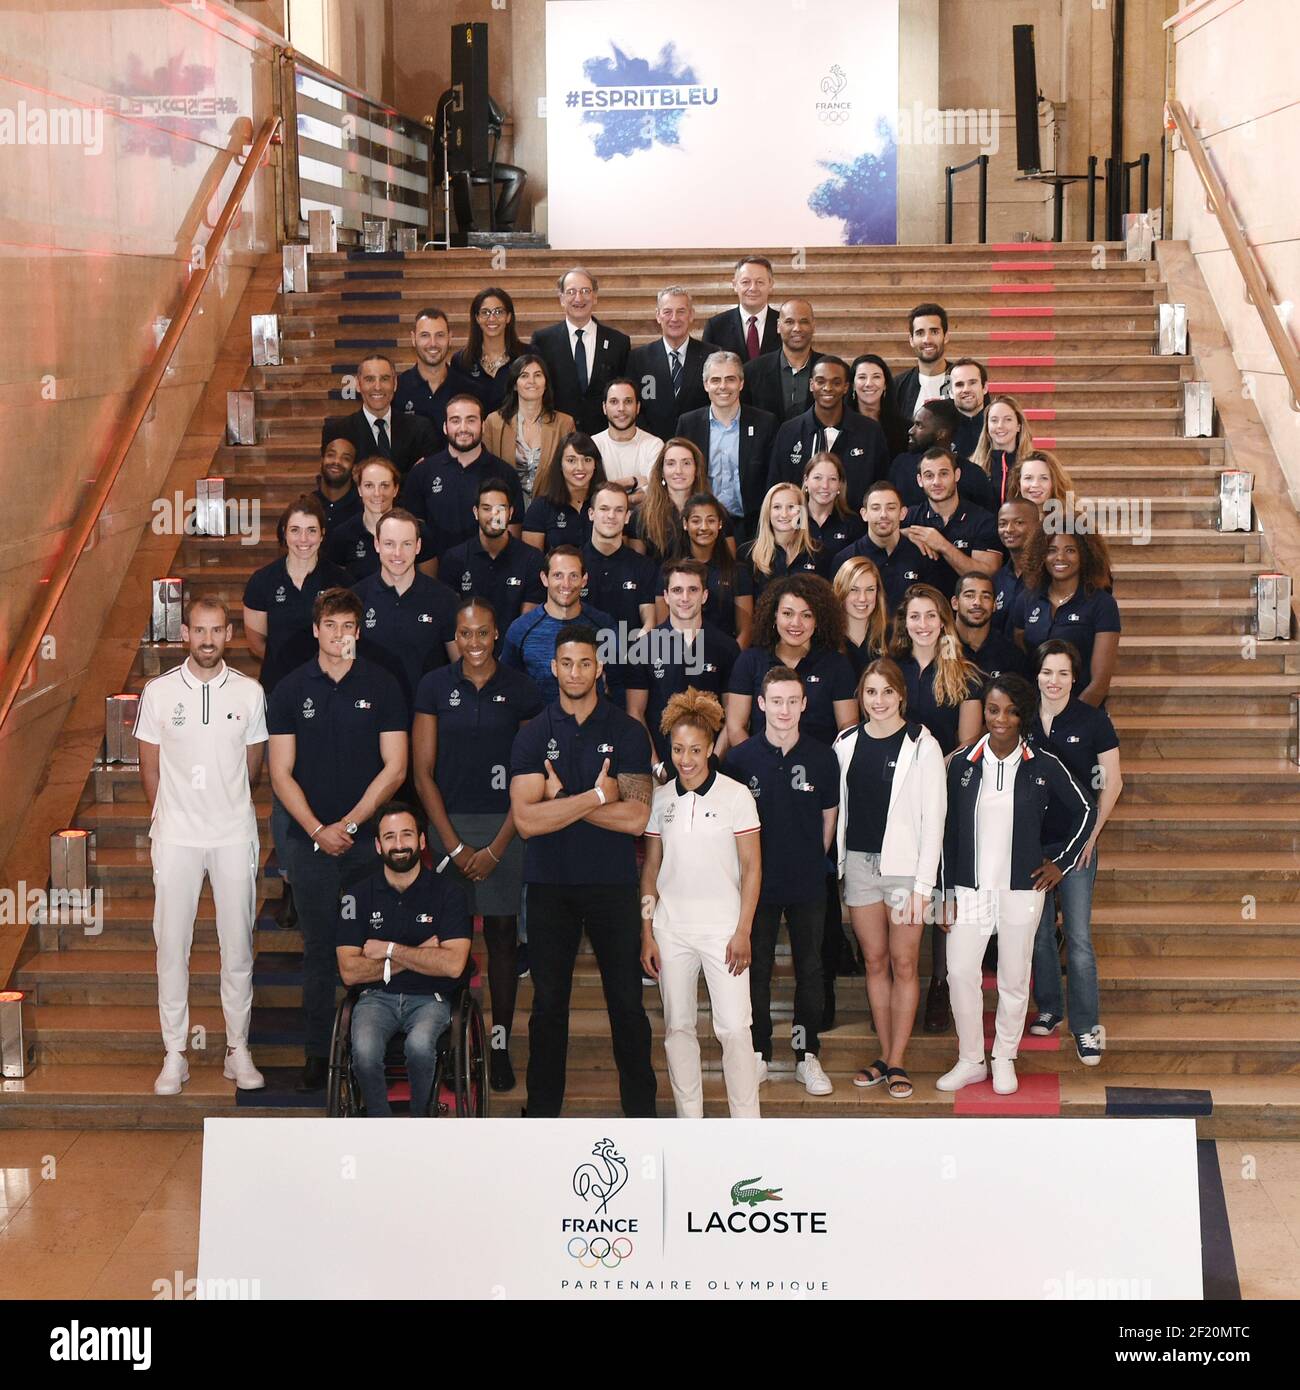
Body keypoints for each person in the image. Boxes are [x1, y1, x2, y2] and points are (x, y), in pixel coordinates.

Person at [509, 623, 657, 1117]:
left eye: (585, 663)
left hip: (612, 887)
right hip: (550, 887)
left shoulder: (628, 731)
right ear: (554, 668)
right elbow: (528, 822)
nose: (576, 672)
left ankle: (642, 1116)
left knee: (627, 1007)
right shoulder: (532, 733)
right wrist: (596, 796)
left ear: (599, 667)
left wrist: (563, 802)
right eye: (567, 663)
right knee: (549, 1008)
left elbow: (636, 819)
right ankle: (542, 1115)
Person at [267, 588, 408, 1091]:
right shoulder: (288, 690)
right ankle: (316, 1053)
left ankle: (374, 1050)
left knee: (374, 946)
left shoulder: (383, 685)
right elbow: (280, 773)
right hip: (310, 845)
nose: (339, 634)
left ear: (358, 630)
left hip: (368, 845)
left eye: (348, 625)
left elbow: (396, 767)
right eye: (330, 625)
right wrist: (316, 831)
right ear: (315, 630)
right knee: (320, 949)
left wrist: (349, 825)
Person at [936, 675, 1096, 1096]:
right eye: (992, 709)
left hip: (1022, 890)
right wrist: (943, 893)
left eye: (1010, 710)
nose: (1000, 718)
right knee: (960, 972)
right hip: (969, 890)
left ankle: (1004, 1056)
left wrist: (1061, 863)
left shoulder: (1042, 762)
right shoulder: (961, 764)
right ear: (983, 712)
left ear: (1023, 713)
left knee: (1012, 977)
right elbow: (945, 831)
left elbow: (1085, 808)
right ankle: (971, 1059)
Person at [134, 596, 267, 1096]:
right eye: (199, 631)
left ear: (229, 634)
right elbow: (149, 766)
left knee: (237, 947)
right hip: (176, 838)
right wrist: (169, 818)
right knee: (172, 947)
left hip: (233, 834)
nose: (208, 640)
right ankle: (175, 1053)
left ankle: (237, 1049)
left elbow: (252, 767)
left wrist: (226, 807)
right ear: (185, 633)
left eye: (216, 631)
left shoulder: (251, 693)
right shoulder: (159, 692)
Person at [413, 599, 544, 1092]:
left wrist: (496, 846)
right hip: (449, 826)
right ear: (456, 635)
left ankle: (498, 1040)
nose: (474, 643)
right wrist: (451, 845)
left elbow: (530, 776)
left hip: (505, 827)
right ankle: (450, 1038)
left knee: (504, 939)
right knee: (450, 940)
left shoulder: (522, 689)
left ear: (496, 635)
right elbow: (422, 773)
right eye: (465, 634)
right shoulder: (433, 686)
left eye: (483, 634)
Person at [642, 690, 762, 1117]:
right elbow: (651, 870)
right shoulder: (661, 800)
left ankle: (746, 1126)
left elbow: (752, 868)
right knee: (678, 1029)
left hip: (724, 932)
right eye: (677, 749)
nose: (686, 759)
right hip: (671, 931)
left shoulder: (735, 797)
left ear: (711, 747)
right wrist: (647, 932)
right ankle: (689, 1123)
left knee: (734, 1029)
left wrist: (743, 929)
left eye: (695, 749)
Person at [833, 658, 946, 1100]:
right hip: (860, 866)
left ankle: (898, 1058)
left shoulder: (923, 745)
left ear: (901, 694)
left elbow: (934, 820)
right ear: (861, 696)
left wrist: (923, 886)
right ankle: (883, 1056)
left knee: (903, 964)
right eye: (870, 692)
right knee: (875, 962)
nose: (878, 701)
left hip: (906, 872)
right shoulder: (845, 743)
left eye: (886, 692)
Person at [722, 667, 838, 1096]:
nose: (785, 709)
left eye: (793, 701)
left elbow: (829, 820)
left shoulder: (823, 757)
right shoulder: (740, 760)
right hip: (758, 885)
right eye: (777, 701)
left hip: (808, 882)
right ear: (762, 704)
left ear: (804, 704)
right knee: (758, 970)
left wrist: (809, 859)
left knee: (810, 969)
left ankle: (806, 1055)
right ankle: (760, 1055)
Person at [335, 803, 473, 1116]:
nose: (399, 845)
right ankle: (380, 1123)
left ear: (422, 841)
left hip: (431, 998)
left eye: (407, 835)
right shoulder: (355, 897)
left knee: (420, 1047)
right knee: (366, 1053)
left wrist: (388, 949)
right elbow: (349, 971)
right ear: (378, 845)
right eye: (390, 837)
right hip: (374, 998)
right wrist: (419, 954)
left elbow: (453, 965)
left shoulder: (450, 893)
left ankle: (420, 1120)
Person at [889, 582, 984, 1034]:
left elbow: (969, 743)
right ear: (904, 623)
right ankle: (898, 976)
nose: (922, 625)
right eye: (914, 616)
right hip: (899, 794)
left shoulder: (964, 672)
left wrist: (930, 767)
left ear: (943, 621)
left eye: (931, 616)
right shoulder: (892, 670)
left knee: (943, 884)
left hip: (948, 789)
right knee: (907, 880)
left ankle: (940, 984)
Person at [1028, 640, 1123, 1066]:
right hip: (1032, 846)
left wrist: (1091, 837)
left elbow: (1113, 782)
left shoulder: (1093, 720)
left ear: (1074, 677)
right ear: (1038, 675)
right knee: (1039, 933)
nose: (1055, 681)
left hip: (1077, 844)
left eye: (1063, 673)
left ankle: (1086, 1028)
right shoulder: (1024, 719)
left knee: (1079, 938)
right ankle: (1050, 1008)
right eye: (1048, 672)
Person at [626, 558, 739, 775]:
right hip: (661, 769)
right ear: (666, 596)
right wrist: (656, 766)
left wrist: (714, 759)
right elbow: (635, 713)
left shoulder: (726, 647)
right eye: (677, 590)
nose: (685, 598)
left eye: (693, 590)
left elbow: (733, 715)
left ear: (704, 595)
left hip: (712, 770)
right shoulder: (643, 648)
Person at [350, 508, 459, 713]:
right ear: (376, 545)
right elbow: (345, 662)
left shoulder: (444, 599)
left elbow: (459, 665)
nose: (397, 553)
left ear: (418, 546)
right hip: (370, 716)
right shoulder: (354, 599)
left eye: (406, 544)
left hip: (426, 716)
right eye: (389, 544)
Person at [243, 495, 352, 695]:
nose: (303, 539)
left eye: (311, 530)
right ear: (284, 533)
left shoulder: (341, 581)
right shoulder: (262, 581)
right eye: (295, 530)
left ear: (322, 534)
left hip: (329, 687)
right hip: (277, 686)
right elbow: (257, 643)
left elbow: (348, 640)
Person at [400, 393, 524, 560]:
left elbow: (512, 535)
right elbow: (412, 533)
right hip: (436, 578)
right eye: (455, 420)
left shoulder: (505, 474)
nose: (463, 428)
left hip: (490, 574)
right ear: (445, 427)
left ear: (483, 426)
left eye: (471, 420)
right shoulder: (422, 473)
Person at [675, 350, 777, 541]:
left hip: (752, 528)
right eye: (715, 380)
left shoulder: (765, 424)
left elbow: (772, 477)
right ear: (706, 385)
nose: (723, 386)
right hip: (702, 527)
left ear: (741, 383)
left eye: (730, 379)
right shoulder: (689, 424)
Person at [1013, 528, 1120, 706]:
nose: (1060, 557)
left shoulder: (1102, 604)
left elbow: (1099, 684)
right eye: (1051, 550)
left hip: (1083, 713)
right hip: (1034, 712)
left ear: (1085, 555)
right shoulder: (1026, 599)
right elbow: (1021, 656)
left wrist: (1068, 722)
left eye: (1070, 550)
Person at [767, 356, 890, 508]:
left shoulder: (871, 432)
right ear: (811, 385)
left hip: (855, 526)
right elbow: (776, 487)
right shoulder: (789, 431)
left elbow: (881, 486)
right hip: (800, 526)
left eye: (836, 382)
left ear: (846, 387)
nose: (827, 388)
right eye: (820, 381)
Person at [501, 545, 614, 702]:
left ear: (584, 580)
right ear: (544, 578)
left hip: (592, 724)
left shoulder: (604, 626)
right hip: (537, 724)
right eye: (558, 575)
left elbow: (619, 685)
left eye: (573, 576)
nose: (566, 584)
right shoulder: (520, 629)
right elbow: (507, 687)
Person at [580, 482, 658, 704]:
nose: (611, 516)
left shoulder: (643, 566)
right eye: (604, 509)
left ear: (627, 517)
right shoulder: (572, 563)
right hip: (580, 667)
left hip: (628, 669)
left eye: (618, 510)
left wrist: (619, 663)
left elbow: (649, 623)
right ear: (591, 513)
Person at [529, 266, 631, 434]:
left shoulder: (618, 342)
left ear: (595, 296)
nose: (579, 297)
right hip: (556, 435)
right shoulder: (542, 341)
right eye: (571, 292)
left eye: (585, 291)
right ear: (561, 298)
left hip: (605, 437)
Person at [438, 479, 545, 638]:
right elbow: (452, 621)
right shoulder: (454, 559)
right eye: (486, 508)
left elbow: (527, 624)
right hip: (469, 651)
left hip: (514, 654)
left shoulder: (531, 559)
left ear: (511, 512)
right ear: (476, 512)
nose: (494, 515)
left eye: (501, 509)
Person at [901, 446, 1003, 597]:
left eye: (943, 474)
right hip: (922, 613)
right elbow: (878, 540)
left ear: (957, 475)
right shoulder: (910, 518)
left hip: (966, 614)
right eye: (929, 476)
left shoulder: (983, 520)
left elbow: (986, 577)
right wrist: (903, 534)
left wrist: (942, 545)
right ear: (920, 480)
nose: (936, 482)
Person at [322, 353, 438, 478]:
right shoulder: (337, 432)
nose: (377, 387)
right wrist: (410, 477)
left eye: (384, 379)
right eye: (369, 379)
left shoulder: (421, 428)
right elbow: (337, 486)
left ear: (395, 384)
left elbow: (428, 481)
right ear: (358, 385)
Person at [659, 493, 753, 646]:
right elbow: (662, 627)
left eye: (711, 521)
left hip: (725, 661)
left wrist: (730, 662)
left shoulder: (738, 572)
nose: (704, 527)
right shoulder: (669, 570)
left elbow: (745, 631)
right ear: (685, 524)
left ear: (720, 524)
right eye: (696, 521)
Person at [481, 353, 574, 505]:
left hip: (550, 510)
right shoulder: (494, 422)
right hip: (505, 511)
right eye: (524, 375)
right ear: (514, 385)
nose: (532, 381)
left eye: (538, 375)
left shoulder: (564, 423)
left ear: (545, 383)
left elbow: (570, 475)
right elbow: (486, 473)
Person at [627, 286, 717, 440]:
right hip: (653, 448)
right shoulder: (638, 358)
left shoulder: (712, 356)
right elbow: (634, 406)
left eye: (681, 311)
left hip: (699, 445)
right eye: (667, 311)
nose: (674, 318)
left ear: (691, 315)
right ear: (658, 316)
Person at [832, 479, 935, 612]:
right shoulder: (845, 559)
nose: (883, 515)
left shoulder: (922, 555)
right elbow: (836, 611)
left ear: (903, 513)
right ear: (864, 514)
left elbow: (933, 607)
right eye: (875, 508)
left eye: (891, 508)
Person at [325, 456, 433, 581]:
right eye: (369, 485)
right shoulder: (342, 535)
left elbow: (429, 585)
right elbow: (338, 589)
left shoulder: (418, 530)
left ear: (395, 489)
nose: (377, 493)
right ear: (359, 489)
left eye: (384, 485)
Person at [890, 399, 995, 511]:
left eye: (919, 426)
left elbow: (986, 520)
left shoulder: (972, 475)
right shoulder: (900, 465)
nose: (911, 431)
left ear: (942, 433)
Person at [394, 306, 475, 441]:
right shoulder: (396, 390)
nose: (433, 343)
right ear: (413, 339)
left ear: (450, 338)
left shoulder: (469, 390)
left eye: (440, 335)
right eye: (425, 335)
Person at [629, 437, 712, 565]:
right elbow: (637, 568)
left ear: (696, 469)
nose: (678, 471)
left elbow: (725, 568)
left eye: (686, 463)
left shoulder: (715, 511)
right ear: (661, 471)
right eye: (671, 463)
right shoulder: (641, 515)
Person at [521, 432, 604, 553]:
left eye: (587, 460)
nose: (580, 467)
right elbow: (532, 562)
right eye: (571, 460)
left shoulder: (606, 505)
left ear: (595, 465)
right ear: (560, 464)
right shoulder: (540, 507)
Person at [742, 298, 823, 422]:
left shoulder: (829, 368)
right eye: (789, 322)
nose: (797, 328)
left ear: (813, 326)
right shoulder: (753, 371)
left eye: (804, 321)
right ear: (778, 326)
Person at [740, 482, 822, 601]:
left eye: (791, 507)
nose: (784, 514)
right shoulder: (747, 554)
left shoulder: (819, 552)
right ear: (768, 512)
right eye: (777, 507)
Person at [452, 287, 526, 416]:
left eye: (498, 312)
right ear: (477, 318)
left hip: (519, 434)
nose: (491, 318)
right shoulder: (461, 361)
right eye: (485, 312)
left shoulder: (527, 356)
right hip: (475, 434)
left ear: (508, 317)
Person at [591, 378, 663, 497]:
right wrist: (633, 481)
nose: (621, 408)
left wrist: (608, 490)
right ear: (604, 407)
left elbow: (655, 492)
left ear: (638, 407)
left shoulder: (654, 445)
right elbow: (590, 492)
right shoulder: (593, 444)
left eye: (628, 401)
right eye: (614, 402)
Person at [704, 255, 781, 361]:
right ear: (735, 285)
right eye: (745, 282)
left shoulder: (785, 323)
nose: (753, 288)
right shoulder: (716, 327)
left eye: (760, 282)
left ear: (771, 284)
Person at [954, 572, 1028, 680]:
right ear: (955, 603)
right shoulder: (938, 645)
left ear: (994, 605)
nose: (977, 602)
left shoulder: (1011, 655)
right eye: (969, 595)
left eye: (986, 597)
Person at [971, 394, 1035, 508]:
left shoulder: (1034, 465)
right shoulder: (973, 467)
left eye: (1008, 419)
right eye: (994, 420)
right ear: (987, 427)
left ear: (1018, 426)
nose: (1000, 426)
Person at [803, 452, 865, 567]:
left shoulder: (852, 524)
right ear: (806, 480)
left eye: (832, 479)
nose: (825, 485)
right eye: (818, 478)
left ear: (840, 485)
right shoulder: (791, 518)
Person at [992, 497, 1042, 634]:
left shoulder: (1049, 574)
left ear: (1038, 526)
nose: (1008, 529)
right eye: (1002, 524)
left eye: (1019, 523)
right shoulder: (998, 579)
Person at [894, 301, 951, 421]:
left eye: (934, 332)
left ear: (945, 337)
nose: (927, 339)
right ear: (911, 340)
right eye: (920, 333)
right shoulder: (898, 386)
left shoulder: (964, 380)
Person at [833, 555, 889, 677]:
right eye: (854, 590)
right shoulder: (826, 640)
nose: (862, 598)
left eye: (870, 590)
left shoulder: (890, 637)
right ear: (841, 591)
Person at [847, 352, 909, 458]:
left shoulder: (905, 429)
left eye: (876, 377)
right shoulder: (841, 426)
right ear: (852, 385)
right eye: (862, 377)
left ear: (885, 384)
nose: (869, 384)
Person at [313, 433, 362, 531]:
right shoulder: (308, 506)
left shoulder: (362, 511)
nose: (337, 462)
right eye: (331, 455)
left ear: (354, 468)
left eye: (346, 458)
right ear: (321, 461)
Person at [1010, 448, 1077, 515]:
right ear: (1018, 482)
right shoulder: (1008, 517)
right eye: (1028, 478)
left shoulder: (1072, 522)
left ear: (1054, 482)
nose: (1035, 484)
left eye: (1043, 478)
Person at [949, 357, 989, 461]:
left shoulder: (998, 427)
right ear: (950, 392)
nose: (966, 389)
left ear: (985, 388)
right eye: (959, 384)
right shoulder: (941, 429)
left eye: (972, 382)